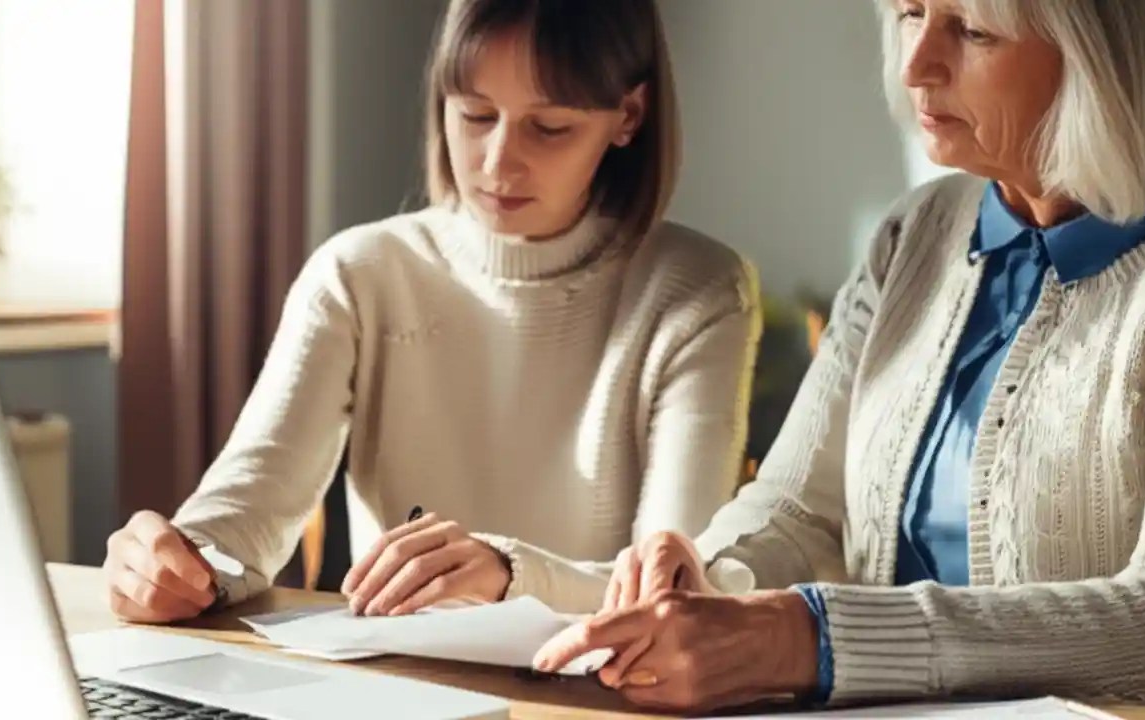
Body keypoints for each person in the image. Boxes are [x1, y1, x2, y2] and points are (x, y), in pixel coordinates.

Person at [535, 0, 1145, 712]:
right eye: (911, 15)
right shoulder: (914, 234)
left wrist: (809, 639)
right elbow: (800, 508)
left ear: (1105, 57)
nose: (917, 65)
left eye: (973, 32)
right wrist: (708, 580)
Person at [102, 0, 761, 624]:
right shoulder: (359, 273)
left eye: (550, 126)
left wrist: (508, 574)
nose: (499, 162)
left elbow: (677, 590)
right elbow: (242, 519)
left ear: (629, 116)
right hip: (397, 688)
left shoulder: (698, 290)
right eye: (475, 115)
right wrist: (168, 564)